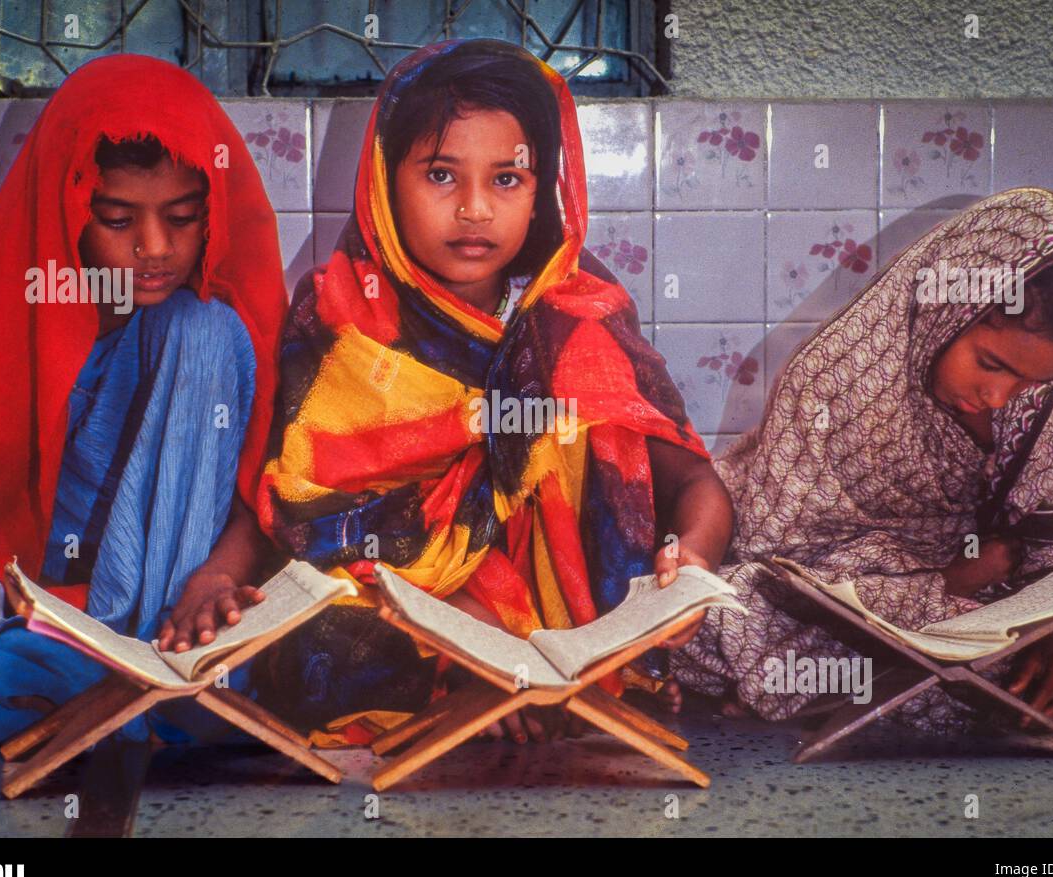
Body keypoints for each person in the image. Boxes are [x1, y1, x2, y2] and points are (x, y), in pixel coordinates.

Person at [157, 39, 734, 744]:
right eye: (440, 174)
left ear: (544, 184)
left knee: (588, 426)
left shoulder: (577, 317)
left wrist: (693, 564)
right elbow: (293, 497)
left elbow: (696, 480)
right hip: (406, 610)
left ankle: (533, 678)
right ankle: (468, 678)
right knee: (316, 643)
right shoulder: (340, 317)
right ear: (382, 182)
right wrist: (217, 574)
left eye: (507, 180)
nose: (473, 209)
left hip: (567, 631)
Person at [0, 54, 289, 744]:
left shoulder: (216, 328)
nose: (154, 249)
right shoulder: (20, 308)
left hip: (185, 607)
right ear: (66, 210)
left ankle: (149, 681)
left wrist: (215, 575)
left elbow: (265, 487)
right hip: (44, 605)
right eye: (118, 219)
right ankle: (134, 694)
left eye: (182, 218)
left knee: (200, 327)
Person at [670, 187, 1053, 732]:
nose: (1001, 396)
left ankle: (936, 693)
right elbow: (783, 568)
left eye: (1036, 379)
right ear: (947, 310)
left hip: (978, 620)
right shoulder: (830, 381)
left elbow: (1050, 540)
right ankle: (950, 692)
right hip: (835, 619)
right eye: (991, 364)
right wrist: (949, 581)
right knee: (722, 623)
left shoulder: (1024, 400)